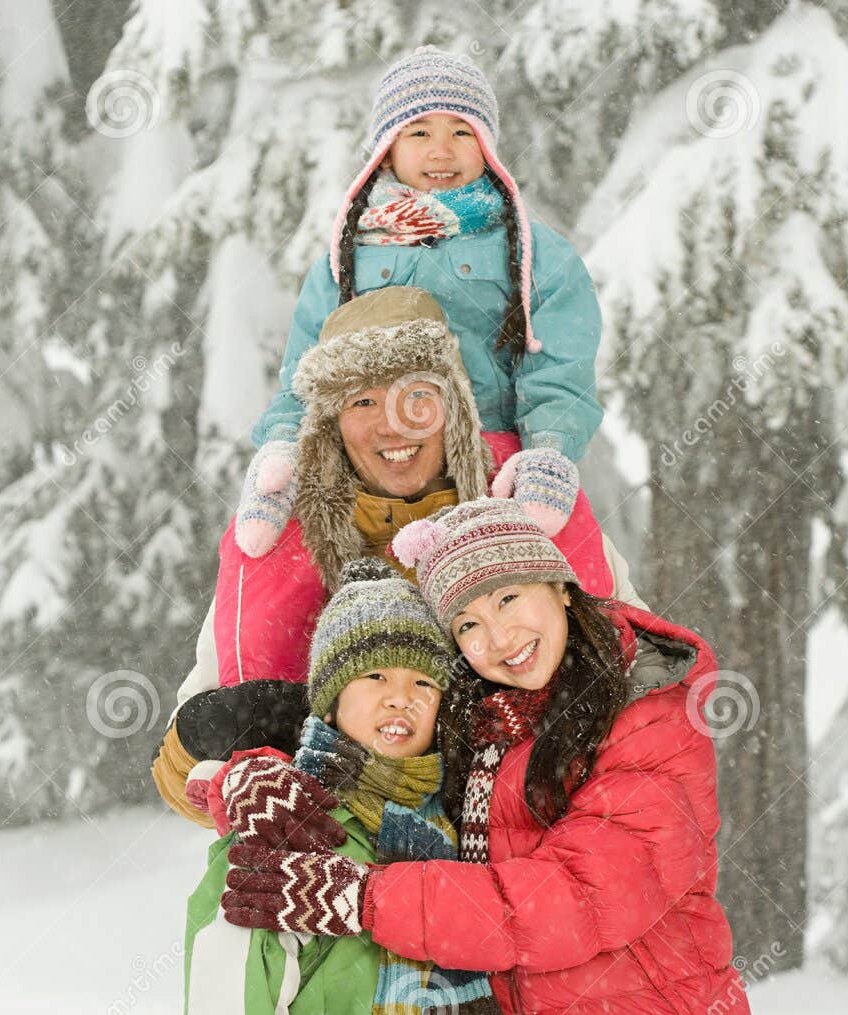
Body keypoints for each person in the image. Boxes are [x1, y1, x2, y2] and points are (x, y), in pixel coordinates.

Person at [220, 499, 760, 1015]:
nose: (499, 639)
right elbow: (372, 762)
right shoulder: (480, 721)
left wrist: (365, 899)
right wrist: (252, 777)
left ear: (560, 585)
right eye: (469, 625)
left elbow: (574, 896)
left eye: (507, 598)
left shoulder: (648, 715)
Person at [151, 288, 644, 829]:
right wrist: (233, 734)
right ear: (330, 424)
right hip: (344, 853)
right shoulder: (279, 539)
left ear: (453, 403)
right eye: (362, 401)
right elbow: (189, 762)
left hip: (521, 837)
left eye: (415, 394)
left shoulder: (528, 510)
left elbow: (643, 675)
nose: (392, 425)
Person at [236, 44, 604, 557]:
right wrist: (284, 449)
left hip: (491, 462)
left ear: (487, 146)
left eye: (461, 131)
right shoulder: (347, 254)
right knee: (257, 570)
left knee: (577, 579)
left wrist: (549, 452)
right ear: (386, 149)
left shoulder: (532, 251)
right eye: (419, 132)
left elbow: (562, 365)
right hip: (370, 464)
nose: (441, 150)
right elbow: (307, 369)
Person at [183, 558, 511, 1015]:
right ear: (330, 703)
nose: (401, 697)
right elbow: (229, 1002)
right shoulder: (285, 817)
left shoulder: (456, 822)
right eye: (376, 675)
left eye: (424, 683)